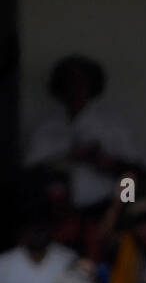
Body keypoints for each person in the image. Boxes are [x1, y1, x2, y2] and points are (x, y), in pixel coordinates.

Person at [25, 55, 137, 225]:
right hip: (56, 214)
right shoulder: (46, 128)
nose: (75, 89)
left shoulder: (112, 125)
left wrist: (105, 162)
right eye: (69, 82)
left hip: (104, 210)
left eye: (82, 83)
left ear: (93, 86)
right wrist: (69, 158)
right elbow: (32, 173)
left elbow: (132, 174)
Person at [0, 199, 77, 283]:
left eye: (41, 229)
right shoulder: (4, 263)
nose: (37, 234)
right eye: (32, 229)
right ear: (23, 231)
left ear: (50, 229)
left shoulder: (67, 259)